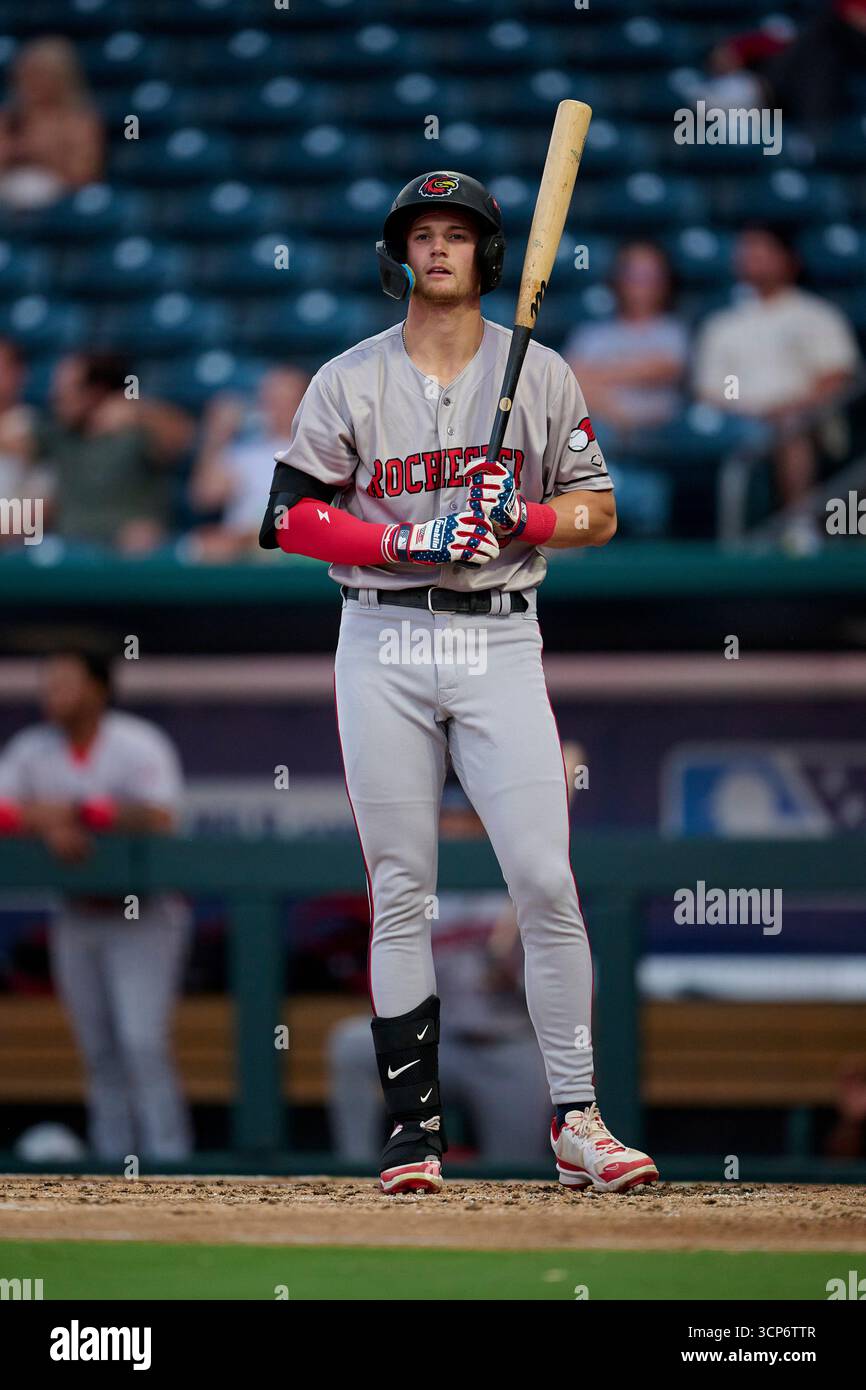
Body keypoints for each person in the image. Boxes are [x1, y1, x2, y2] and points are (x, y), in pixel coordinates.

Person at [258, 168, 658, 1196]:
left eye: (456, 234)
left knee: (541, 879)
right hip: (381, 634)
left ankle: (576, 1119)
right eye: (421, 234)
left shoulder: (545, 373)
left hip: (498, 638)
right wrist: (412, 538)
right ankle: (413, 1132)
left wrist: (516, 517)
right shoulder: (348, 376)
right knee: (401, 886)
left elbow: (598, 511)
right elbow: (291, 515)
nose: (437, 247)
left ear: (487, 255)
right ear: (400, 255)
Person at [0, 649, 193, 1161]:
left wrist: (83, 812)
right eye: (49, 683)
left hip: (144, 915)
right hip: (77, 914)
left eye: (66, 682)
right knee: (99, 1051)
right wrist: (49, 823)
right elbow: (3, 809)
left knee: (141, 1043)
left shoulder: (136, 741)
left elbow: (160, 815)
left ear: (98, 689)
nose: (53, 693)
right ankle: (114, 1163)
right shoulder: (31, 748)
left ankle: (169, 1161)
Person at [694, 224, 860, 514]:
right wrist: (745, 407)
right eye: (747, 251)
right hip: (741, 421)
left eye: (763, 251)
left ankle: (798, 525)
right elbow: (715, 389)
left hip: (806, 419)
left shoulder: (816, 315)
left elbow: (836, 378)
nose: (752, 258)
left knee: (791, 428)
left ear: (788, 260)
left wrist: (788, 408)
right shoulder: (723, 325)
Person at [30, 352, 193, 552]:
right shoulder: (57, 433)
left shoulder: (135, 430)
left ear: (95, 391)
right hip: (67, 548)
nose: (54, 397)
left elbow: (182, 437)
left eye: (64, 391)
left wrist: (138, 410)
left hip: (127, 547)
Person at [563, 241, 688, 438]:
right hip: (599, 431)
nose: (641, 284)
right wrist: (615, 410)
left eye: (650, 276)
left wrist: (598, 374)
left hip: (661, 436)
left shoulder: (672, 330)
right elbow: (569, 382)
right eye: (633, 276)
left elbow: (664, 370)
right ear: (618, 280)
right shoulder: (591, 334)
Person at [187, 366, 310, 561]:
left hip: (287, 550)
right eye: (269, 400)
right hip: (238, 552)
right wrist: (218, 434)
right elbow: (205, 497)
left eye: (283, 401)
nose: (274, 408)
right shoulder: (243, 450)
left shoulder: (317, 452)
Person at [0, 37, 103, 210]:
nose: (30, 83)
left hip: (59, 199)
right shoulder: (9, 117)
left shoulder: (79, 119)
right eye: (26, 75)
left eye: (40, 75)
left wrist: (44, 155)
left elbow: (83, 175)